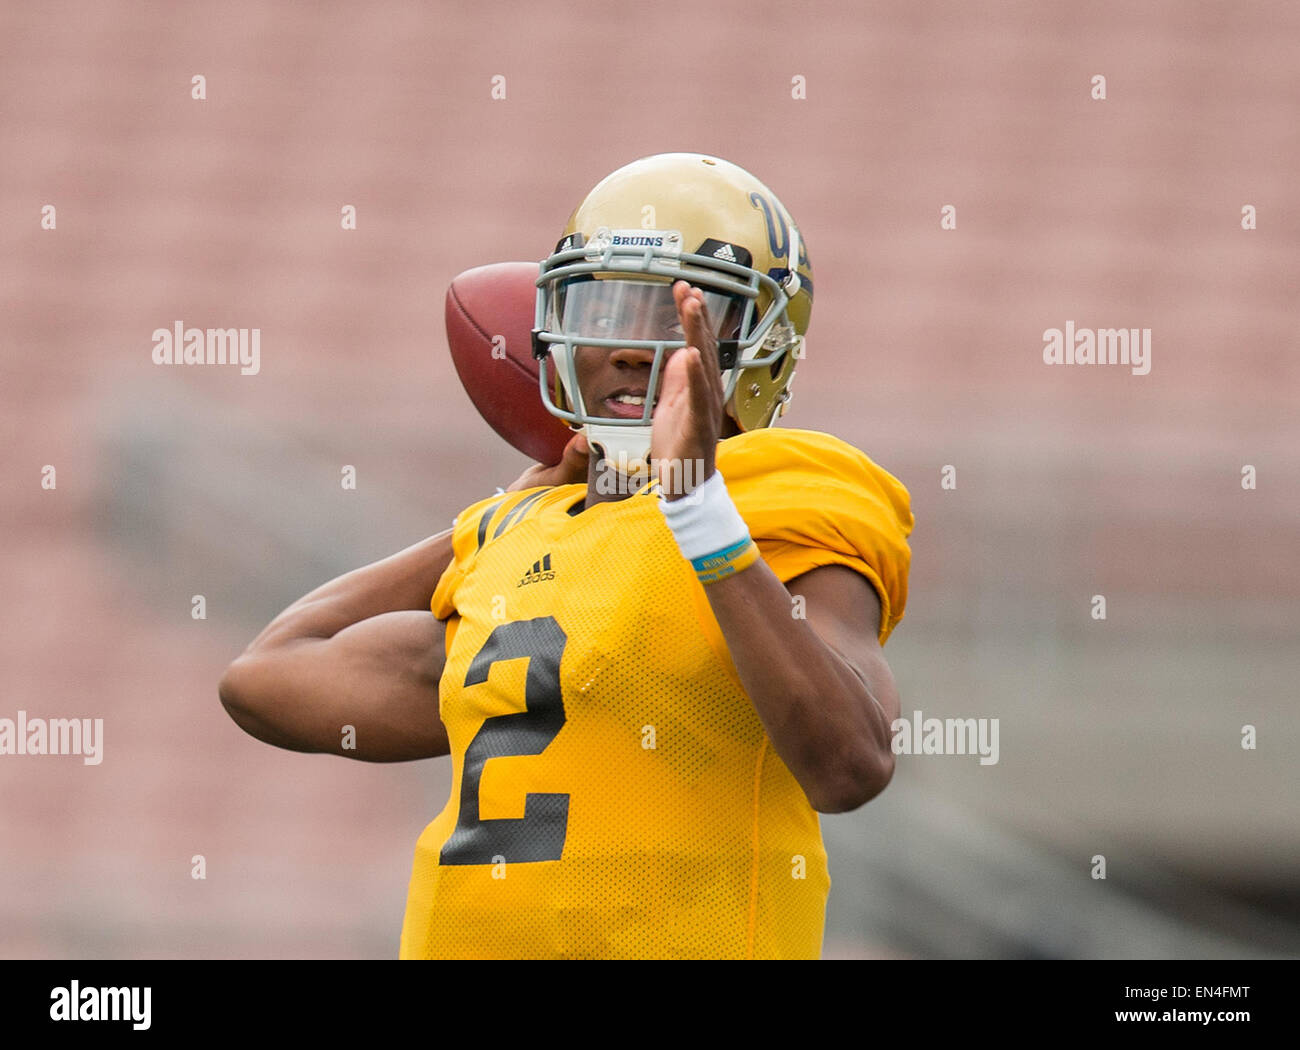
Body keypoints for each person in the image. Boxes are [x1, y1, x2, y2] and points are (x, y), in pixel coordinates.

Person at [219, 152, 914, 959]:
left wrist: (698, 509)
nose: (628, 346)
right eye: (610, 307)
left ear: (760, 342)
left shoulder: (782, 498)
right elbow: (264, 677)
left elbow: (850, 765)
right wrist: (495, 519)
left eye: (677, 312)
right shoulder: (522, 537)